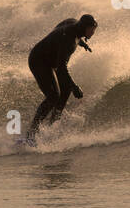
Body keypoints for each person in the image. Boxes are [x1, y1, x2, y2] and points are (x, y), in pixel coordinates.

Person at [26, 13, 97, 142]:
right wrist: (75, 87)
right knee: (53, 96)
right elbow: (62, 67)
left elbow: (58, 31)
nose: (93, 32)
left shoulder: (73, 23)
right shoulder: (69, 41)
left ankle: (52, 124)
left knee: (65, 89)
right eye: (92, 30)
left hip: (50, 61)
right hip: (39, 61)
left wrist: (82, 43)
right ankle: (31, 134)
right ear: (84, 27)